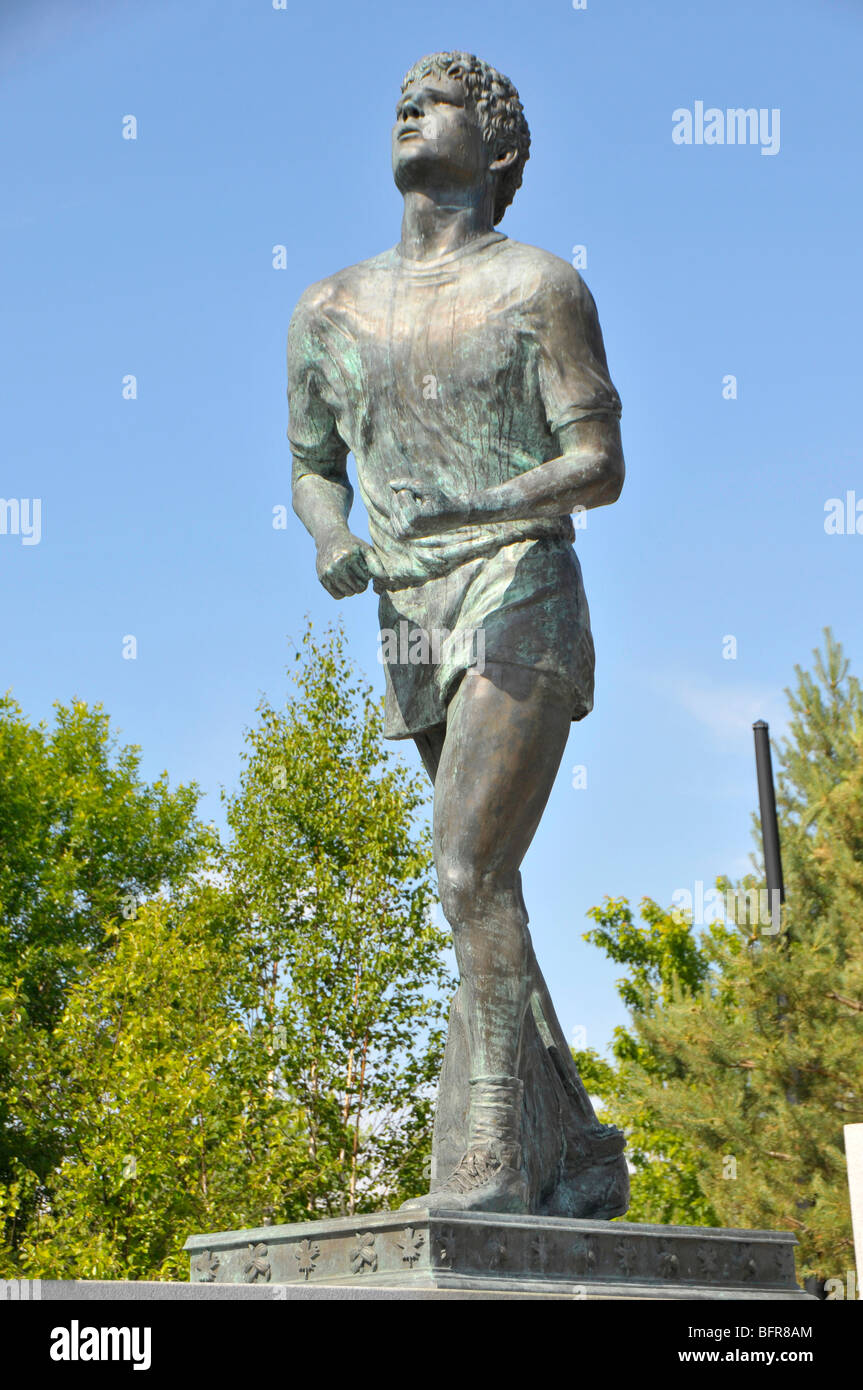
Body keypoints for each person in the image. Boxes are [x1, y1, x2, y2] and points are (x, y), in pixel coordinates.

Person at [289, 51, 626, 1215]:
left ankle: (488, 1150)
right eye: (401, 97)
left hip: (520, 585)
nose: (405, 108)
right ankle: (577, 1144)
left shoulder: (540, 286)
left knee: (466, 866)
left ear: (497, 152)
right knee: (486, 889)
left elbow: (600, 462)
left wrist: (483, 504)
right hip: (405, 620)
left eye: (435, 101)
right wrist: (330, 536)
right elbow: (309, 466)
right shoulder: (326, 308)